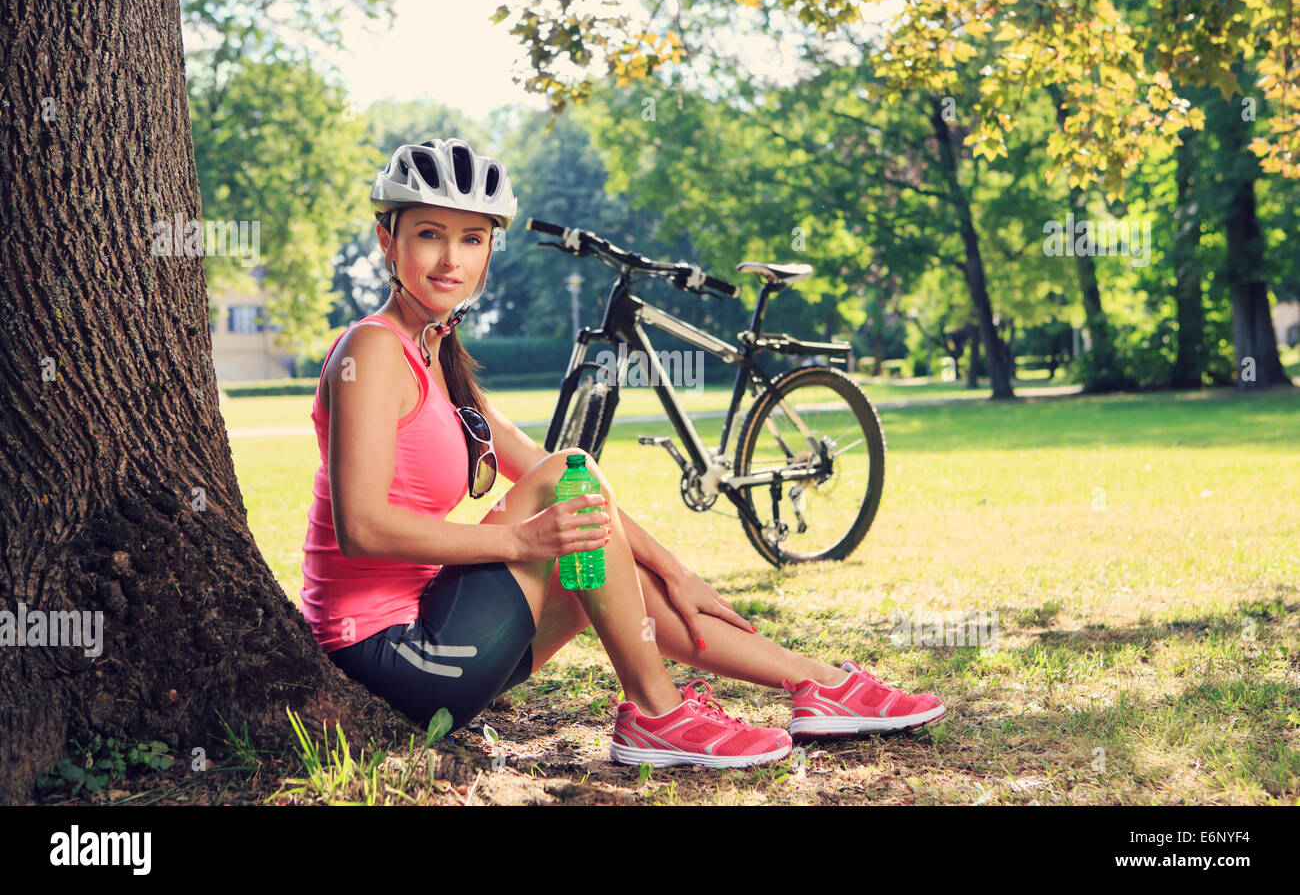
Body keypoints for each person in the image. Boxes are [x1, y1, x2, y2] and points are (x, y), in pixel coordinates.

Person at [299, 137, 946, 770]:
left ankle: (819, 685)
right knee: (567, 482)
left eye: (472, 239)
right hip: (392, 661)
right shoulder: (373, 350)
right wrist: (524, 543)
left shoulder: (440, 359)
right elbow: (361, 529)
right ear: (388, 239)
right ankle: (658, 713)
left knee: (598, 535)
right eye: (430, 234)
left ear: (490, 250)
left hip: (438, 643)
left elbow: (562, 476)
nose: (451, 259)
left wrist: (676, 570)